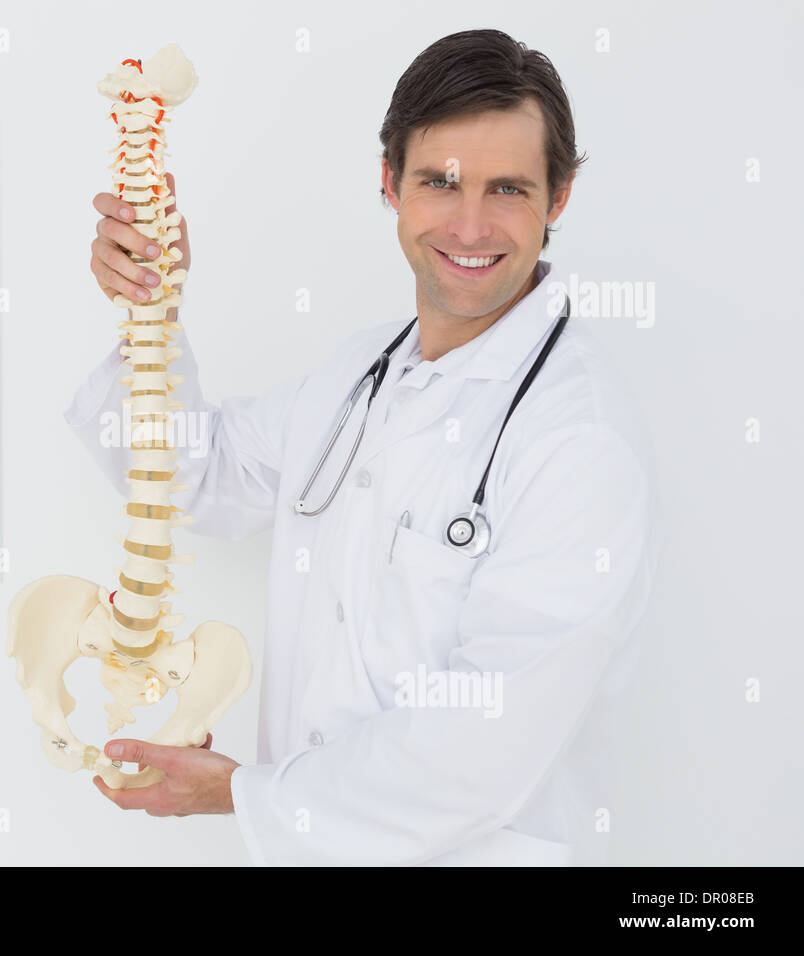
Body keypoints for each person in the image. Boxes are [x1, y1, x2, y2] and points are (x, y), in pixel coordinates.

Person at [65, 28, 662, 865]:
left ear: (557, 199)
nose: (471, 222)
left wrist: (242, 793)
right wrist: (151, 312)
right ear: (391, 185)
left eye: (509, 189)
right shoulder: (360, 375)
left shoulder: (578, 439)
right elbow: (200, 477)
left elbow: (483, 746)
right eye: (439, 182)